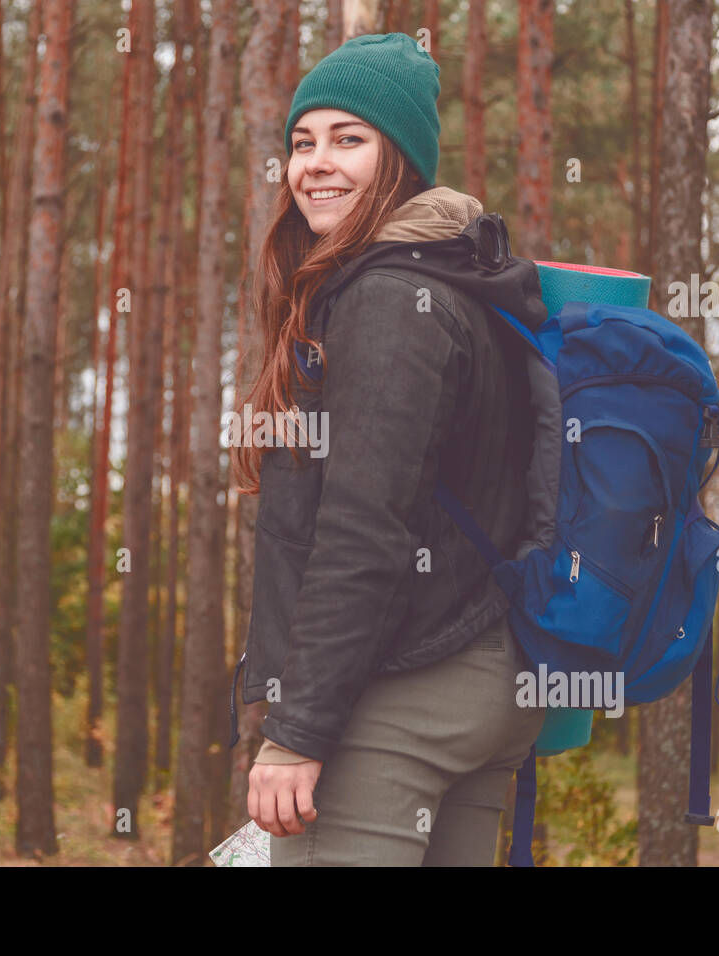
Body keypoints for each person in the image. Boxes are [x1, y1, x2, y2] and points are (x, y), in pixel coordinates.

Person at [228, 32, 548, 866]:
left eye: (349, 139)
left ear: (400, 158)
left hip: (408, 686)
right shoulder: (465, 281)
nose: (316, 164)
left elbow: (364, 531)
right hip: (490, 681)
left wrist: (295, 731)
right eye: (304, 142)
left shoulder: (390, 298)